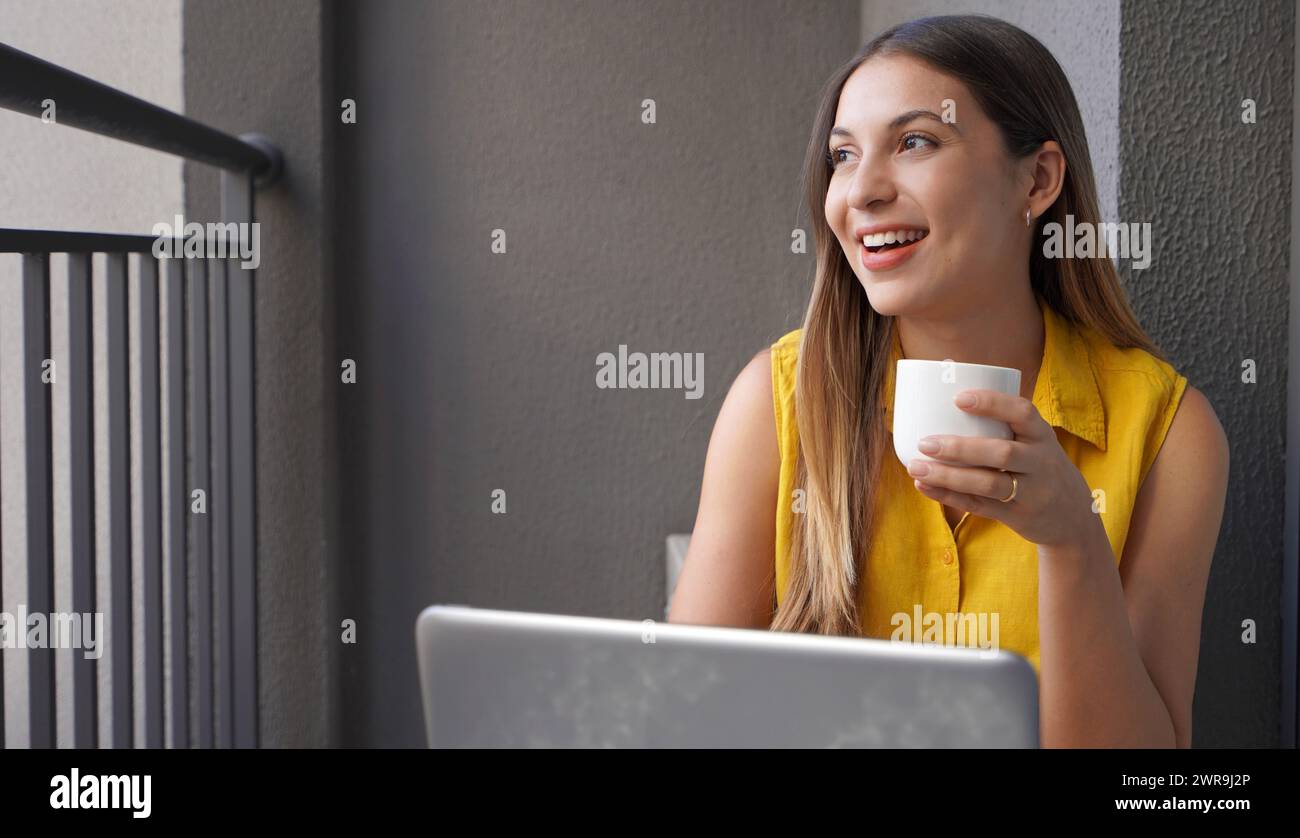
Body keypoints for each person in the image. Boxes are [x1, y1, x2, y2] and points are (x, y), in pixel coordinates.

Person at [667, 14, 1229, 748]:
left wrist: (1071, 544)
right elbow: (678, 720)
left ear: (1037, 179)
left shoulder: (1167, 432)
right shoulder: (777, 403)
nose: (860, 191)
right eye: (842, 155)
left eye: (915, 142)